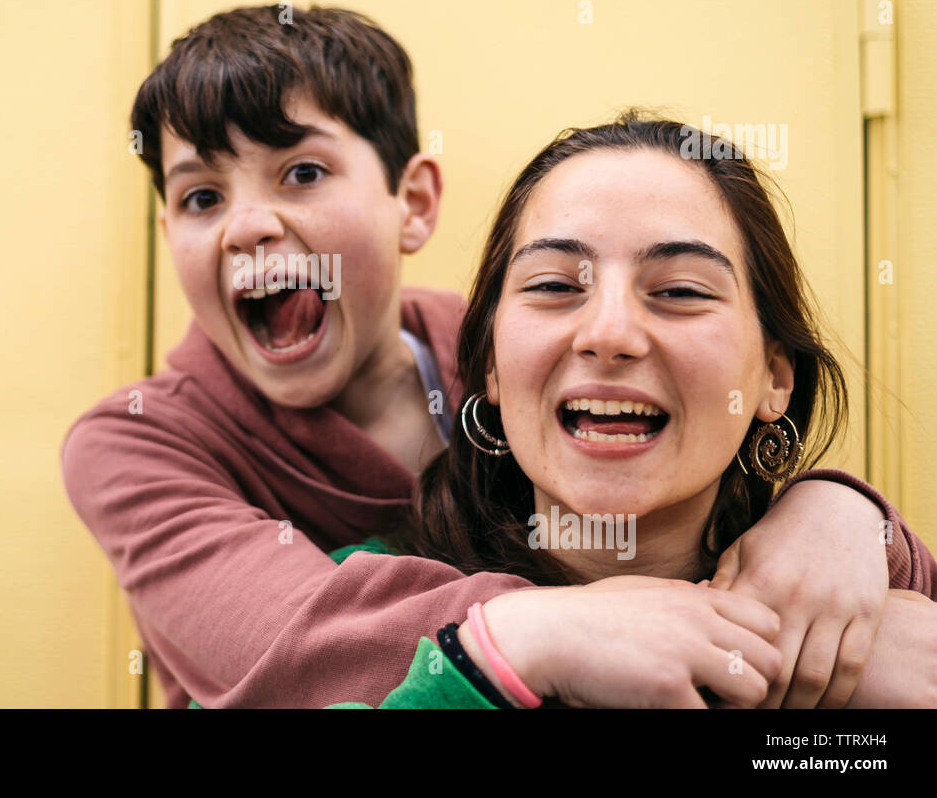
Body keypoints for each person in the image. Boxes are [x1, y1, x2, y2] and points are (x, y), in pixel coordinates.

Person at [61, 4, 930, 708]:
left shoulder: (515, 342)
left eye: (302, 174)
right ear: (168, 230)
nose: (604, 333)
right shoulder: (139, 441)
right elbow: (291, 645)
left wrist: (844, 515)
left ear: (414, 204)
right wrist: (545, 637)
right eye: (203, 194)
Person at [306, 113, 937, 708]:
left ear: (773, 376)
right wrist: (495, 659)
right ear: (491, 364)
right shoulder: (349, 601)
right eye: (554, 286)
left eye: (679, 291)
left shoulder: (876, 610)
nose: (608, 334)